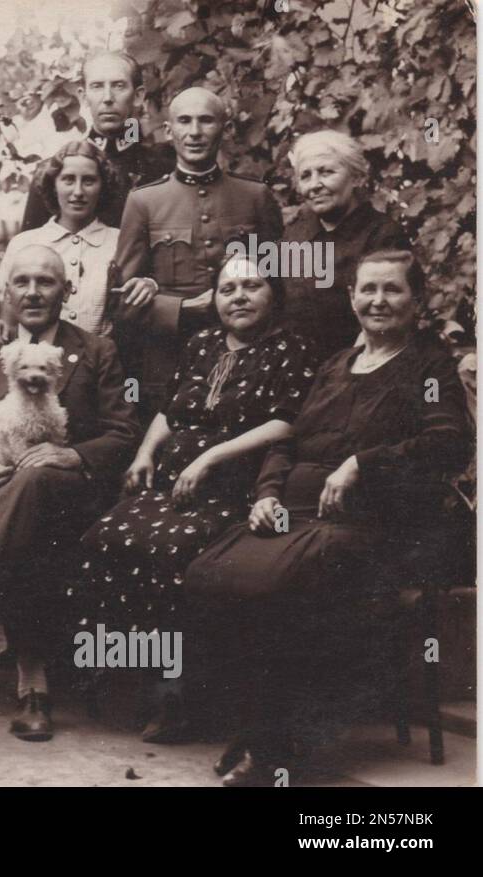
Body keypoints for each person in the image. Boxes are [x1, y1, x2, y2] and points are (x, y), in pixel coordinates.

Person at [183, 250, 470, 786]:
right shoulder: (334, 366)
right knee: (208, 575)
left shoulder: (428, 368)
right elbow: (289, 439)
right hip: (294, 514)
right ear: (352, 298)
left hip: (375, 523)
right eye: (368, 290)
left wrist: (363, 463)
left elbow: (448, 442)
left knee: (283, 587)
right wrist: (266, 493)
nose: (378, 301)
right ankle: (257, 725)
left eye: (392, 290)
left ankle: (282, 747)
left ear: (417, 301)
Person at [75, 252, 318, 742]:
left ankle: (177, 698)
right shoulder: (203, 342)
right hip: (171, 486)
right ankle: (127, 677)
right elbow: (170, 408)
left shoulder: (293, 349)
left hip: (235, 487)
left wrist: (210, 459)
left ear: (273, 294)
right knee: (104, 537)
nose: (239, 297)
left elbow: (288, 421)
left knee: (170, 553)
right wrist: (145, 453)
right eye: (228, 290)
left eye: (251, 286)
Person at [0, 245, 140, 741]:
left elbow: (123, 429)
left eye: (45, 281)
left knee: (37, 481)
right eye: (21, 281)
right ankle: (33, 687)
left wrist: (75, 455)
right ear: (5, 292)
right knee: (25, 506)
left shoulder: (96, 350)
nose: (32, 291)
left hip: (75, 499)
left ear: (66, 292)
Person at [112, 87, 284, 420]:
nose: (194, 132)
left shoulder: (254, 196)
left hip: (249, 359)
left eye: (206, 121)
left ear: (226, 128)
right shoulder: (144, 202)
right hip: (170, 360)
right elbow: (121, 303)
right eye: (184, 121)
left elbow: (278, 286)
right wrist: (183, 308)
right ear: (168, 130)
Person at [280, 130, 411, 359]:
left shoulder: (383, 236)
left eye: (326, 172)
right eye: (305, 176)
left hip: (357, 363)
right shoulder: (295, 233)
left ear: (357, 177)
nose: (315, 185)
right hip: (293, 365)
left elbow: (386, 321)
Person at [0, 139, 122, 345]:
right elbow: (8, 322)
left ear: (102, 186)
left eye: (88, 181)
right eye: (68, 180)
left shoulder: (118, 241)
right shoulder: (23, 243)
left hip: (101, 368)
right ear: (53, 185)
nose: (78, 192)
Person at [21, 51, 174, 231]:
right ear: (83, 97)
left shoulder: (163, 169)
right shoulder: (52, 171)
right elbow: (29, 249)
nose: (108, 98)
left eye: (118, 85)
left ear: (138, 96)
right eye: (97, 86)